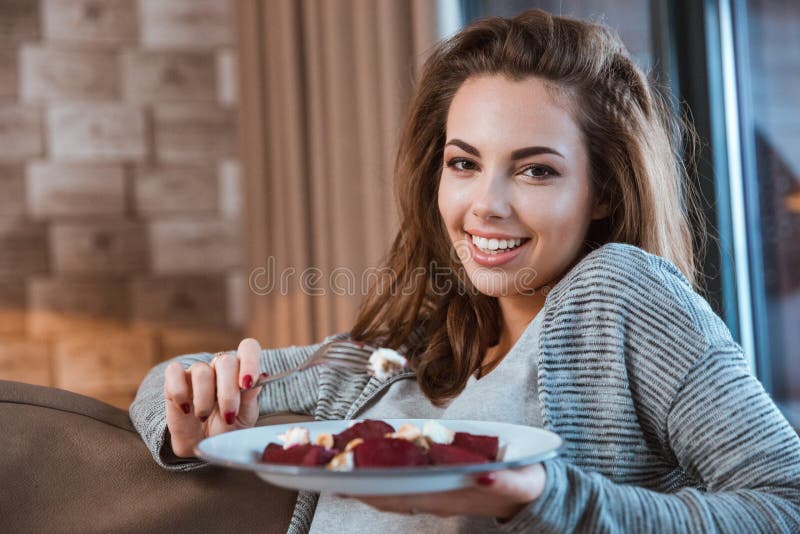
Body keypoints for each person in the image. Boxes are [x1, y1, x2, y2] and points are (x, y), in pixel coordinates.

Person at [131, 8, 800, 533]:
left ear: (604, 193)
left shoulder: (619, 295)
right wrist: (195, 407)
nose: (487, 205)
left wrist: (540, 499)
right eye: (464, 163)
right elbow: (165, 383)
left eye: (536, 170)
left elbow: (787, 504)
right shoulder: (395, 358)